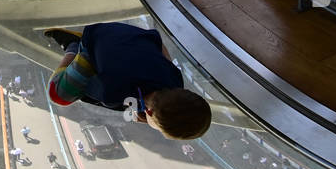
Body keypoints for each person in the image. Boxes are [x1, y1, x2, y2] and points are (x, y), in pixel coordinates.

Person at [38, 22, 212, 139]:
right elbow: (91, 92)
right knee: (59, 95)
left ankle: (91, 50)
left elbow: (162, 50)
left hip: (127, 34)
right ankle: (75, 47)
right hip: (94, 39)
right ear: (149, 114)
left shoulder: (175, 80)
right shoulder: (113, 92)